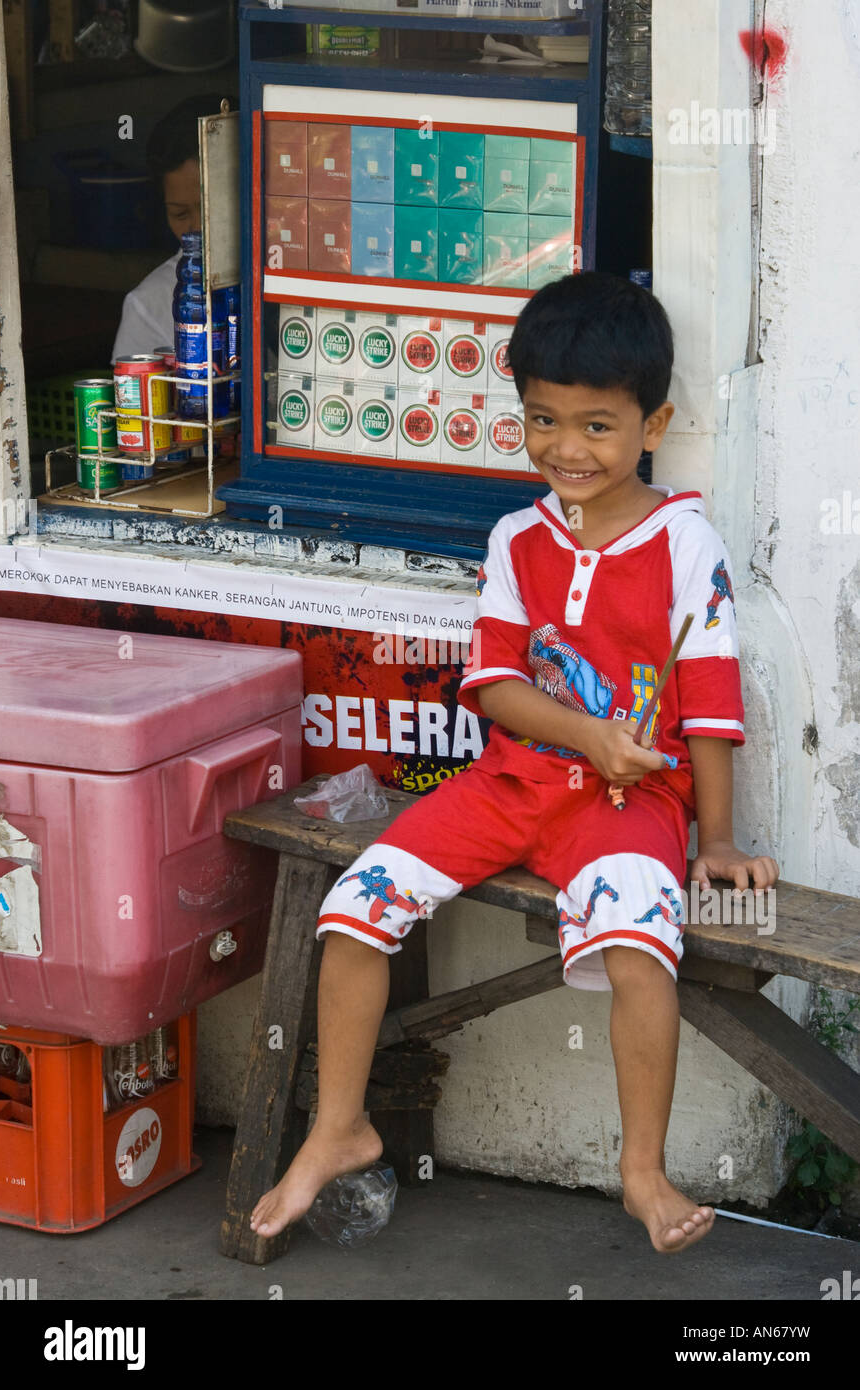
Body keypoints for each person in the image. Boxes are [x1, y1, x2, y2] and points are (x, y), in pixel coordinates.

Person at [250, 272, 780, 1256]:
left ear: (651, 422)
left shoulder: (682, 542)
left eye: (596, 426)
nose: (566, 449)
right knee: (355, 905)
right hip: (508, 787)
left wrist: (714, 839)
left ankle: (641, 1169)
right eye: (542, 419)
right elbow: (493, 685)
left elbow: (709, 702)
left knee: (638, 945)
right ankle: (338, 1126)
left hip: (628, 807)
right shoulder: (515, 539)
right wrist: (583, 733)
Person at [110, 94, 236, 362]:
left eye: (210, 208)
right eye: (179, 213)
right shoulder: (149, 305)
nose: (196, 228)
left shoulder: (283, 278)